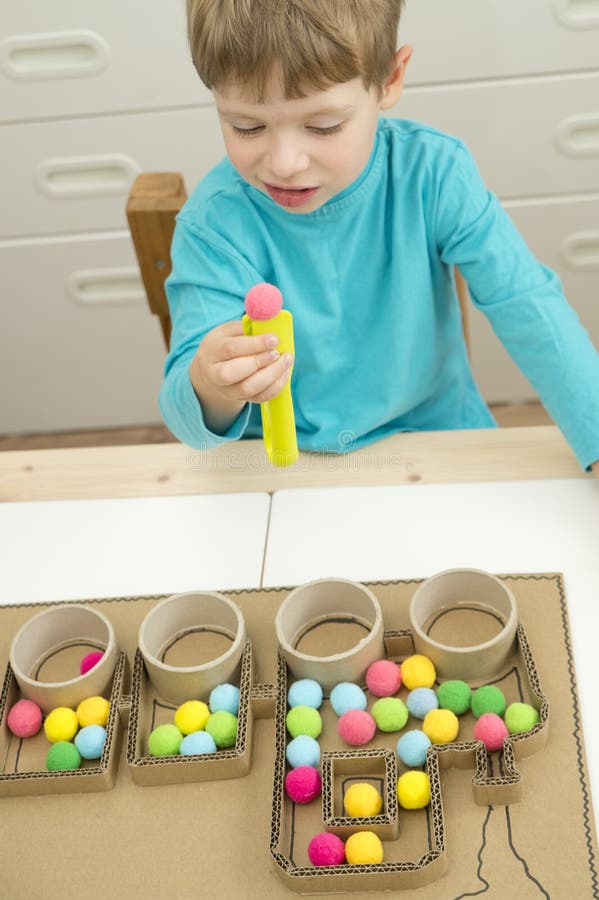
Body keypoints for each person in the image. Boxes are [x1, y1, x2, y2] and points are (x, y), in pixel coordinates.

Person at [159, 0, 599, 474]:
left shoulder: (434, 174)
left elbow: (528, 307)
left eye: (323, 126)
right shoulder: (213, 225)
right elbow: (186, 419)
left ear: (389, 80)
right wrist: (212, 388)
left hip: (435, 440)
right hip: (282, 466)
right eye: (247, 126)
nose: (284, 163)